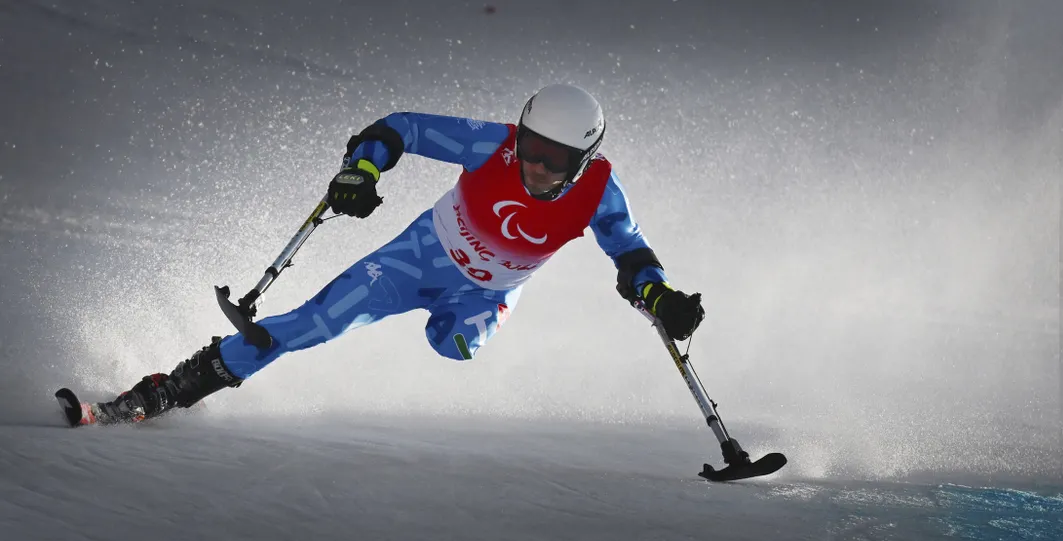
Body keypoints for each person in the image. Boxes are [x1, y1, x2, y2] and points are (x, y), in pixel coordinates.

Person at [81, 84, 705, 425]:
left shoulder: (601, 193)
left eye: (557, 159)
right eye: (532, 147)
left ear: (585, 160)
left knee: (453, 346)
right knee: (312, 324)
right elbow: (401, 126)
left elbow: (631, 255)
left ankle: (453, 323)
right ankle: (166, 390)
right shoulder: (495, 145)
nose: (537, 166)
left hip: (485, 295)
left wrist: (660, 296)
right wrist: (364, 169)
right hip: (416, 259)